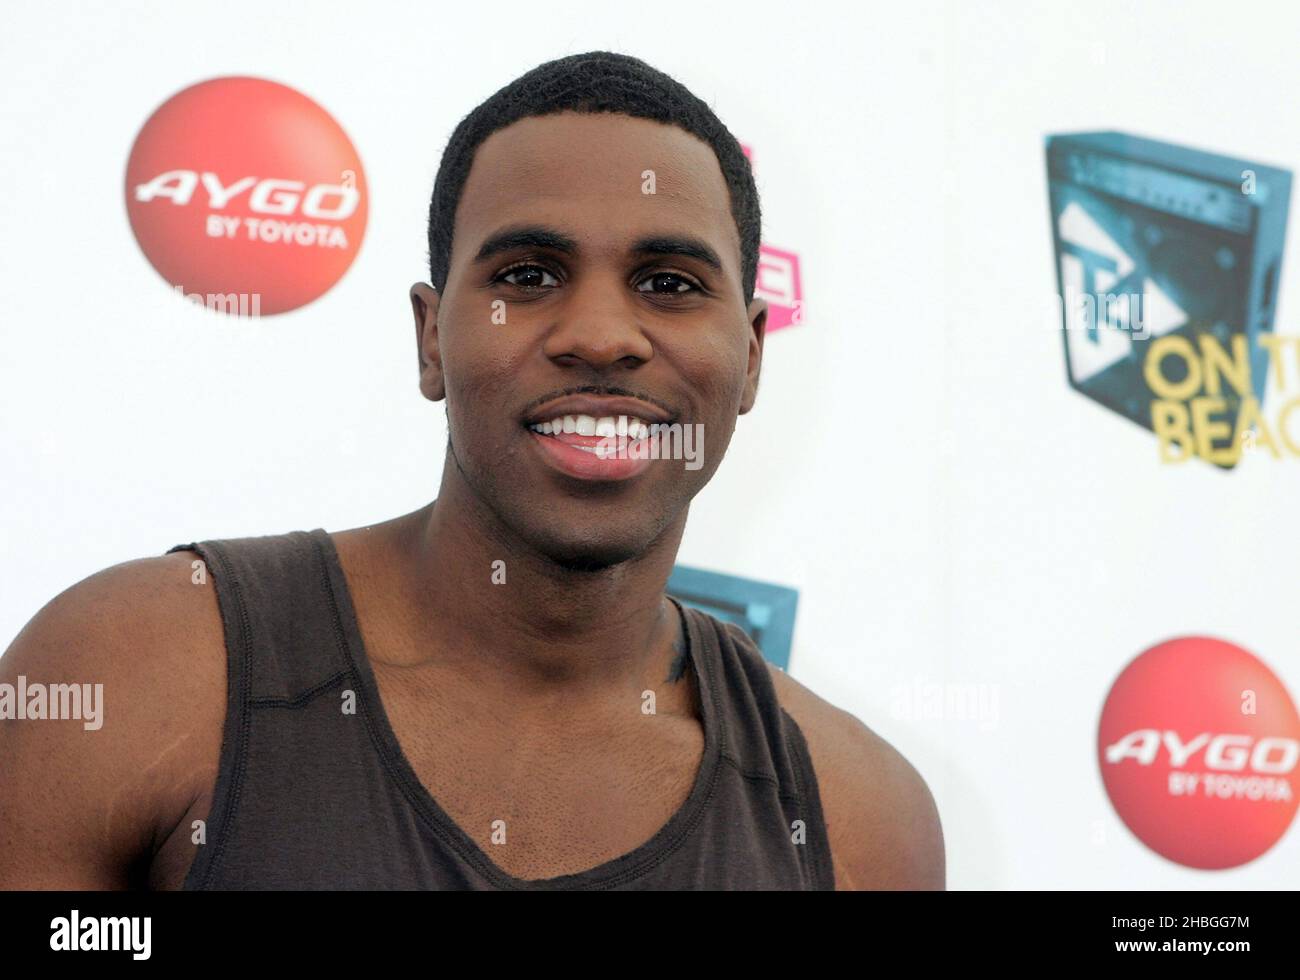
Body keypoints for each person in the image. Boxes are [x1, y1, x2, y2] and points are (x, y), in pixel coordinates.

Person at [0, 51, 943, 890]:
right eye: (528, 276)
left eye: (669, 283)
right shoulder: (133, 674)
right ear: (431, 340)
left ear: (751, 358)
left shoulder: (861, 819)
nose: (602, 337)